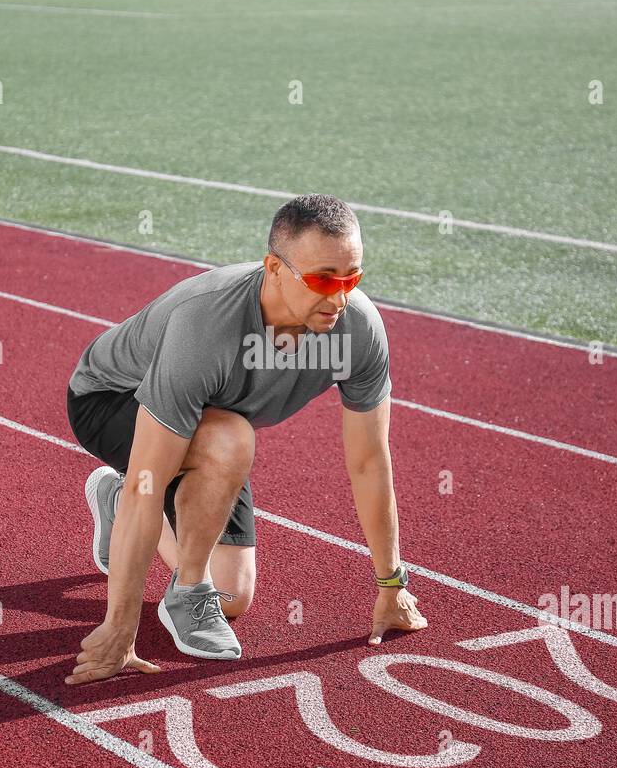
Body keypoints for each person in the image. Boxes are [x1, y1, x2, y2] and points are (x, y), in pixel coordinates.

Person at [64, 194, 426, 685]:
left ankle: (109, 499)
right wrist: (120, 626)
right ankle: (187, 591)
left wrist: (391, 582)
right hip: (113, 399)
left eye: (352, 278)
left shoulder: (356, 331)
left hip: (217, 421)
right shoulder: (206, 325)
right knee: (230, 441)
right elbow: (146, 484)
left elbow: (368, 462)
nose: (339, 298)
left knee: (233, 596)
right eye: (322, 280)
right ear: (274, 268)